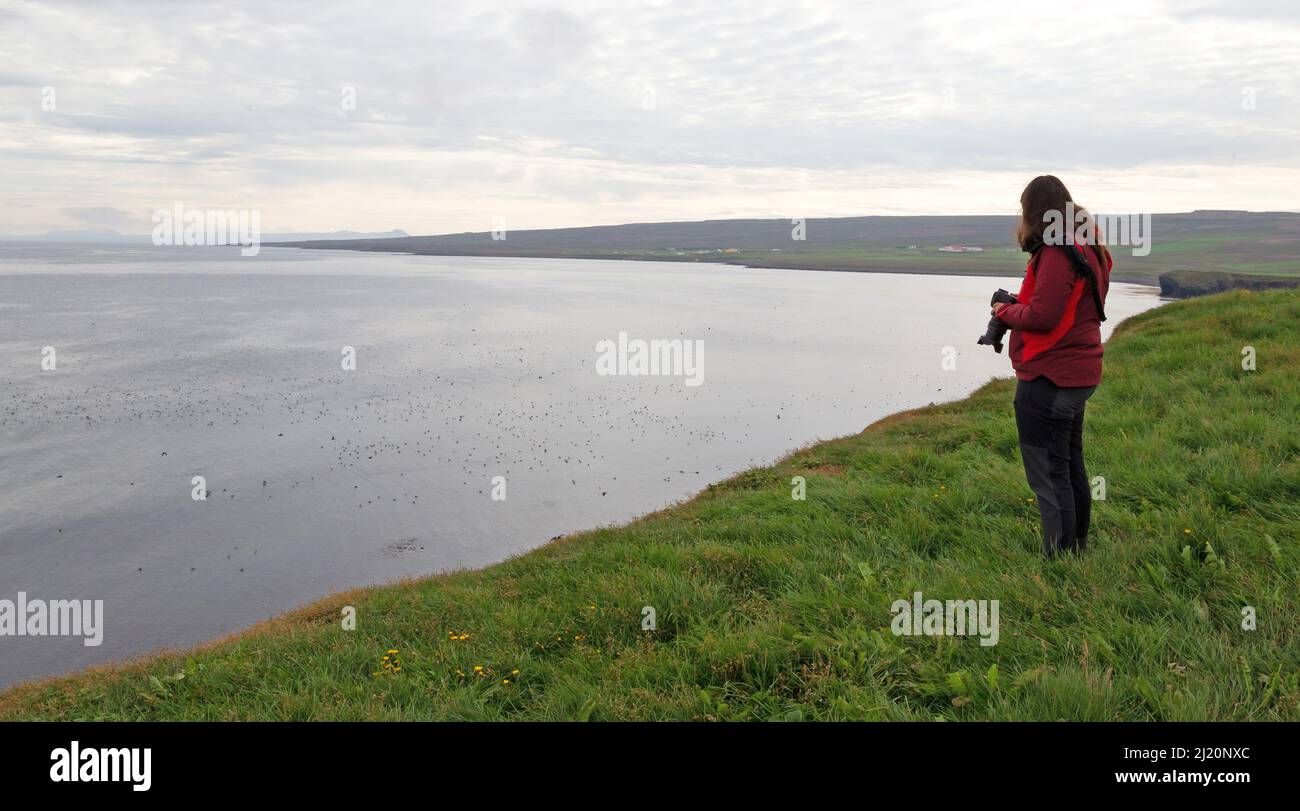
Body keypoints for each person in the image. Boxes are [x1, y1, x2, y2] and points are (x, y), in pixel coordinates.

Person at [993, 175, 1112, 558]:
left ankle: (1058, 559)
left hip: (1049, 374)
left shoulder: (1058, 252)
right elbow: (1068, 308)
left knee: (1048, 471)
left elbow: (1044, 315)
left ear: (1032, 212)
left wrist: (1005, 311)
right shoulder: (1088, 245)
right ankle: (1075, 549)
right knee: (1067, 462)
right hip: (1078, 371)